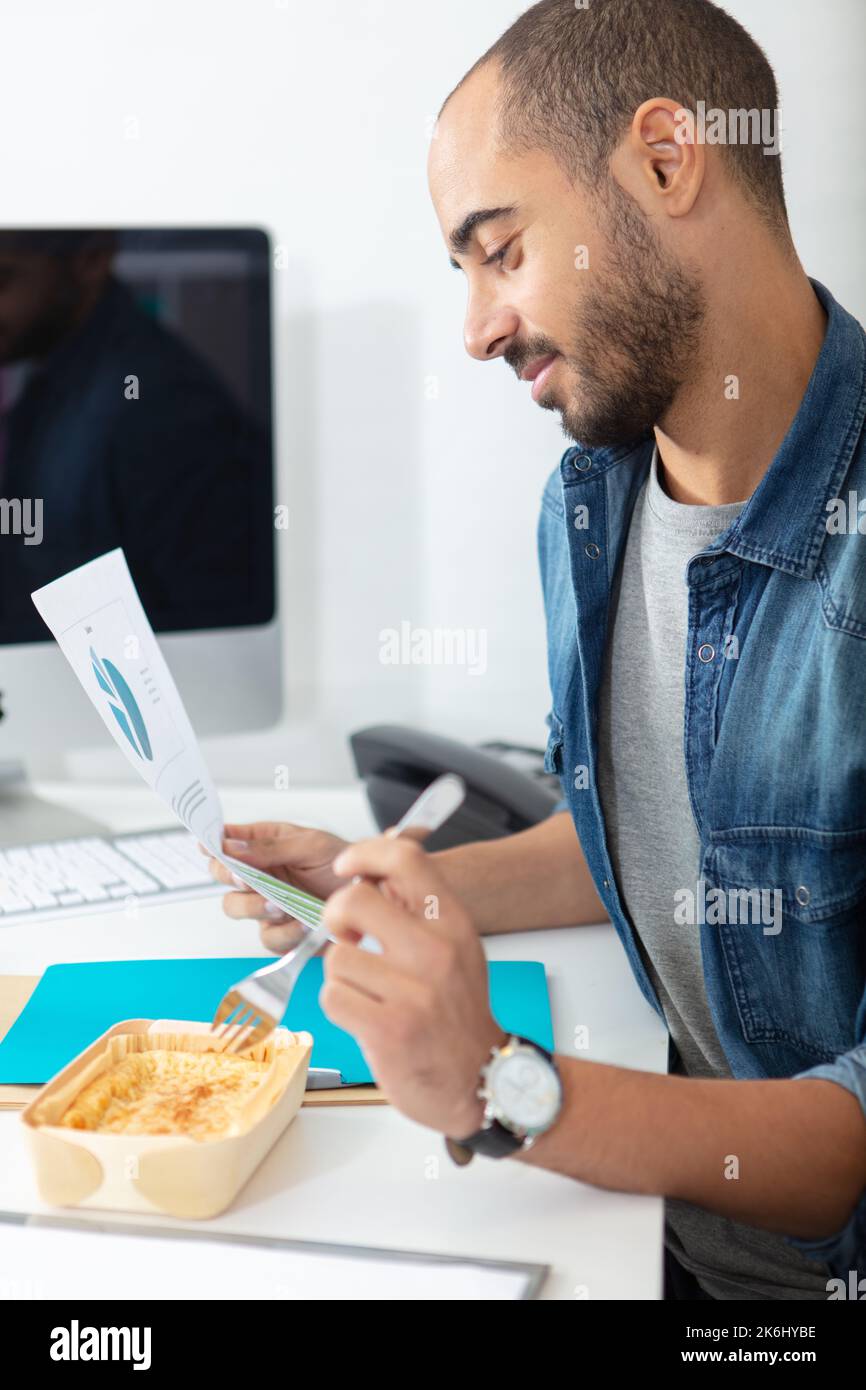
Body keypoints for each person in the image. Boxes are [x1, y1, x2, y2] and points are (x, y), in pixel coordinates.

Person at [206, 0, 866, 1299]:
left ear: (668, 160)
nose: (475, 326)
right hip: (640, 1229)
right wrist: (382, 879)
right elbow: (654, 823)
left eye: (497, 251)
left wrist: (500, 1084)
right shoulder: (592, 500)